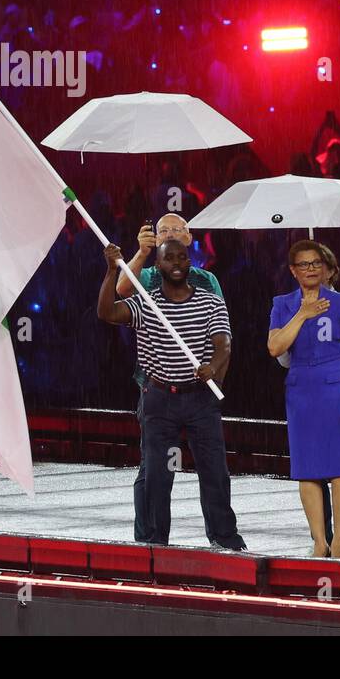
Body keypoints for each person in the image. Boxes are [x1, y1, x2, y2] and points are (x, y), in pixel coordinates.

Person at [97, 241, 246, 551]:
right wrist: (112, 270)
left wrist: (213, 368)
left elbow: (224, 346)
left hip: (200, 399)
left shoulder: (210, 303)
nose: (177, 263)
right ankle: (154, 541)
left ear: (189, 262)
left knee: (214, 470)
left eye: (182, 257)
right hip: (159, 398)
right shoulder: (145, 303)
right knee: (157, 473)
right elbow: (107, 312)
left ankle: (224, 537)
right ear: (159, 266)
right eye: (169, 258)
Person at [116, 213, 222, 543]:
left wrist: (214, 369)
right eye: (164, 231)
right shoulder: (146, 274)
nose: (171, 234)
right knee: (154, 464)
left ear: (189, 239)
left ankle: (220, 535)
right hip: (156, 386)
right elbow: (121, 289)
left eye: (178, 229)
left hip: (197, 388)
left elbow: (220, 328)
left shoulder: (207, 280)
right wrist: (141, 253)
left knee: (210, 465)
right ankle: (150, 536)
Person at [268, 240, 340, 559]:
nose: (311, 269)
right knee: (307, 469)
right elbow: (275, 347)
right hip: (302, 391)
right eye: (304, 265)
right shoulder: (282, 304)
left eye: (316, 264)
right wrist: (302, 314)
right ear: (293, 271)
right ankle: (319, 540)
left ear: (324, 269)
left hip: (337, 389)